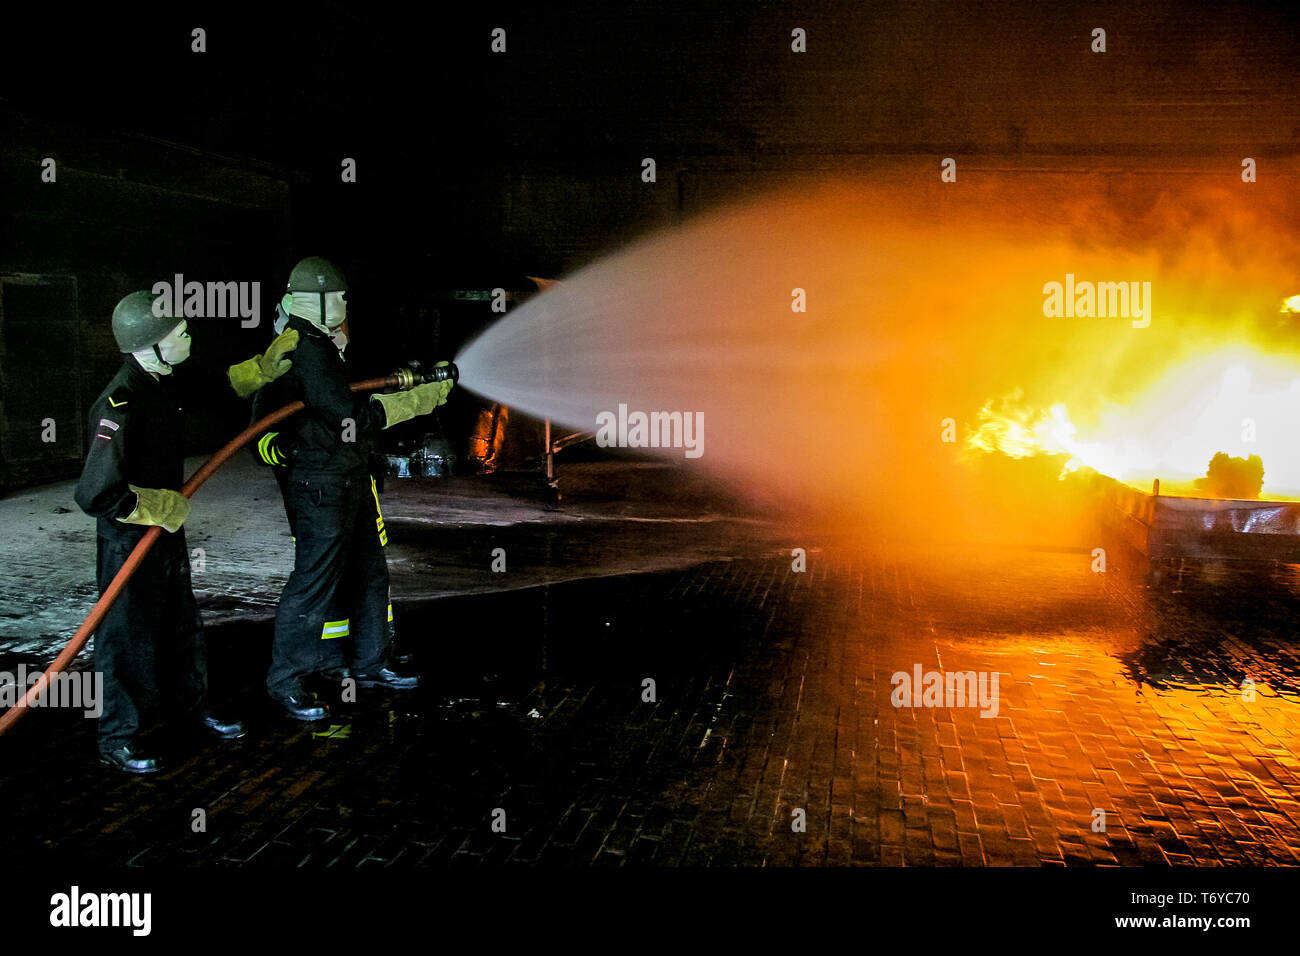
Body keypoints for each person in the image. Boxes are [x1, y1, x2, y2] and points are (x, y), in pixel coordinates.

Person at [75, 290, 299, 772]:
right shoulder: (120, 404)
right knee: (125, 638)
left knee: (181, 626)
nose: (189, 336)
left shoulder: (163, 382)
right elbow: (96, 494)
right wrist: (157, 504)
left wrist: (263, 366)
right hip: (129, 543)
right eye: (181, 332)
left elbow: (214, 389)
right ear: (151, 344)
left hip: (164, 533)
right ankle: (118, 738)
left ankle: (189, 709)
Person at [257, 257, 452, 721]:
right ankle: (287, 681)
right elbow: (352, 418)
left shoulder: (325, 347)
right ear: (316, 300)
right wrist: (418, 400)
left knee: (368, 573)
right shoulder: (305, 350)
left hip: (349, 476)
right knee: (314, 582)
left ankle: (369, 663)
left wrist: (415, 383)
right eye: (339, 296)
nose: (346, 304)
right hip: (320, 485)